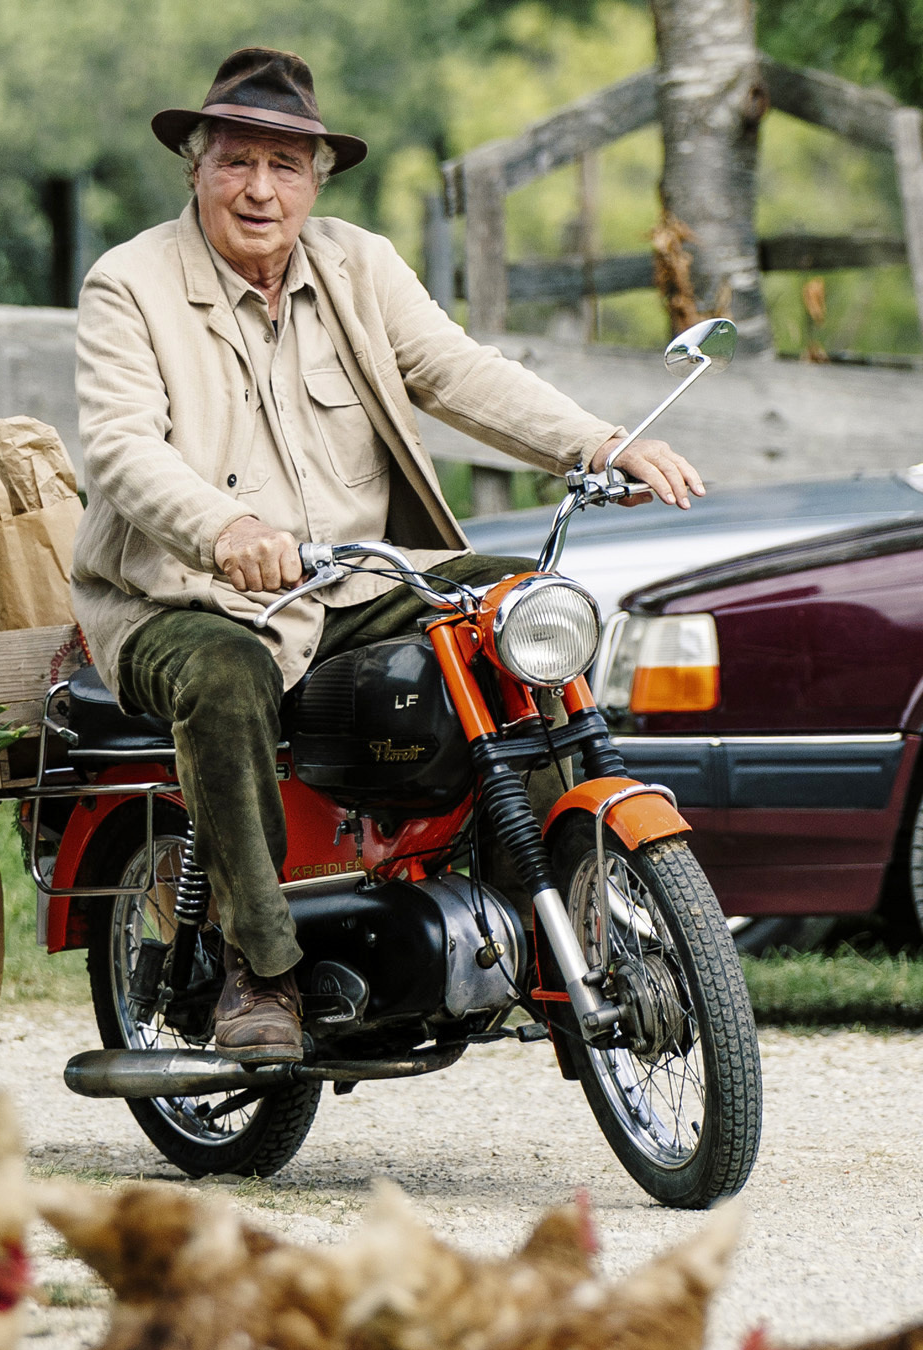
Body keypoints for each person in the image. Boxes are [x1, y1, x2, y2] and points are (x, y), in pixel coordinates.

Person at [70, 46, 707, 1064]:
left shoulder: (359, 266)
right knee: (227, 681)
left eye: (286, 165)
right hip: (172, 597)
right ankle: (258, 970)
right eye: (236, 160)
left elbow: (458, 372)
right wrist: (223, 532)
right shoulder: (130, 285)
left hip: (351, 580)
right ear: (193, 166)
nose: (259, 188)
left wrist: (600, 441)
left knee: (520, 613)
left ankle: (550, 912)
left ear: (318, 177)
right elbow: (120, 445)